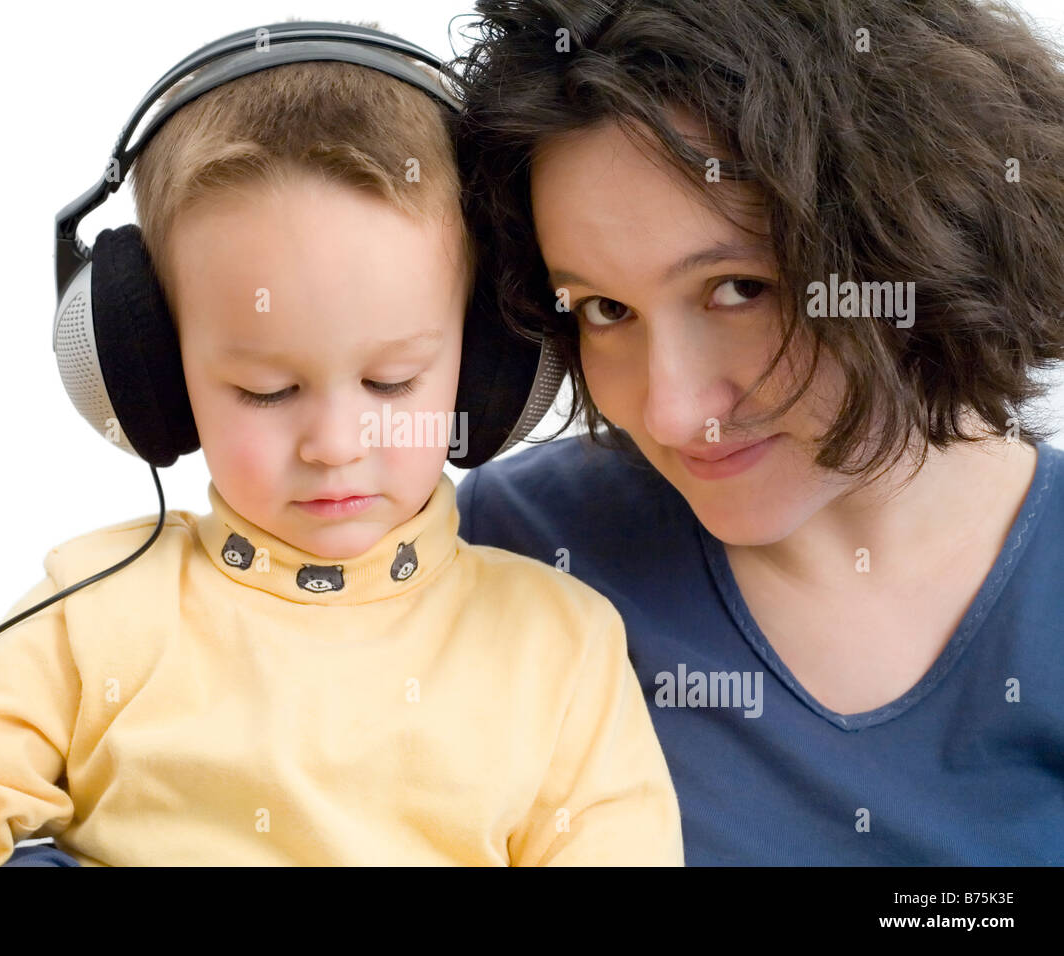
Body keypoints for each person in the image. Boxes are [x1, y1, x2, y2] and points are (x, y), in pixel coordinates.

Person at [0, 46, 682, 866]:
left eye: (393, 380)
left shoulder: (561, 651)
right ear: (154, 376)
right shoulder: (92, 613)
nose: (336, 446)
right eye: (266, 391)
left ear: (487, 357)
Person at [451, 0, 1064, 864]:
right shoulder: (509, 546)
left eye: (740, 288)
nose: (669, 410)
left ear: (917, 245)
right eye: (605, 308)